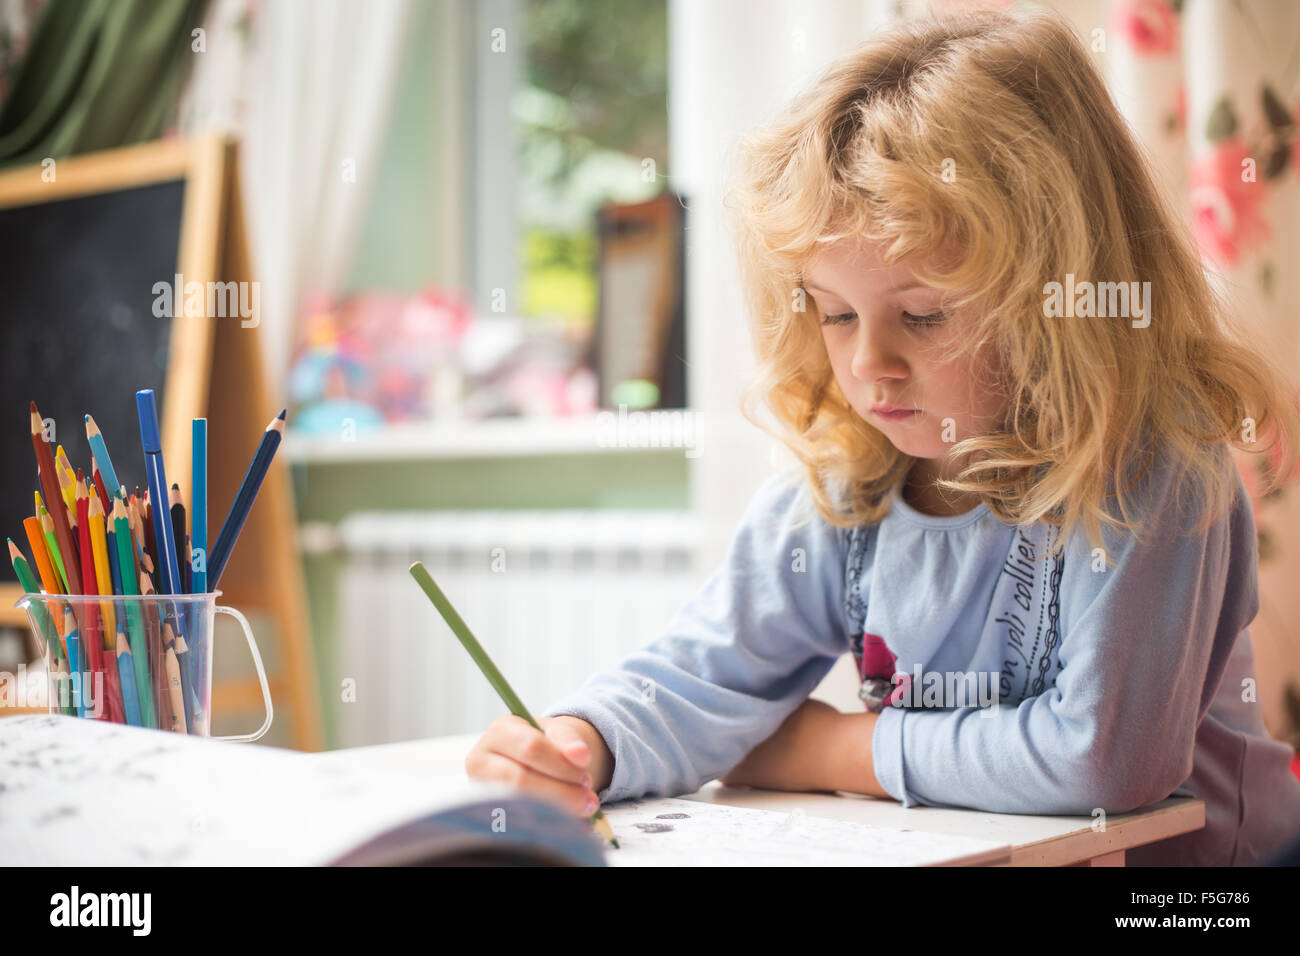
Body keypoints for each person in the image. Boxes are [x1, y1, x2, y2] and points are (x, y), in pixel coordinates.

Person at [465, 6, 1300, 866]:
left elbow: (1102, 760)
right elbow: (707, 671)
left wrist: (836, 750)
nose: (870, 364)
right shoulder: (847, 481)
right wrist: (580, 744)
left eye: (925, 316)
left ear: (1064, 297)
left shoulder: (1157, 470)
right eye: (834, 314)